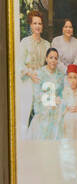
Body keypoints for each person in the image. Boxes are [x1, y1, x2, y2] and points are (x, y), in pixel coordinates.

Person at [16, 11, 50, 139]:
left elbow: (49, 65)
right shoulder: (24, 42)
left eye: (40, 23)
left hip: (41, 81)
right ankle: (23, 142)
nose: (37, 26)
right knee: (25, 114)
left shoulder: (47, 44)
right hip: (27, 80)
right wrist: (30, 74)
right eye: (35, 23)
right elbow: (19, 64)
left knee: (43, 114)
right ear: (30, 25)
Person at [28, 47, 63, 140]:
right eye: (51, 57)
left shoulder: (60, 75)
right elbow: (37, 94)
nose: (53, 60)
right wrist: (51, 100)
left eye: (56, 58)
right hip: (43, 107)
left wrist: (59, 100)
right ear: (46, 58)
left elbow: (61, 94)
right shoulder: (39, 73)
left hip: (57, 107)